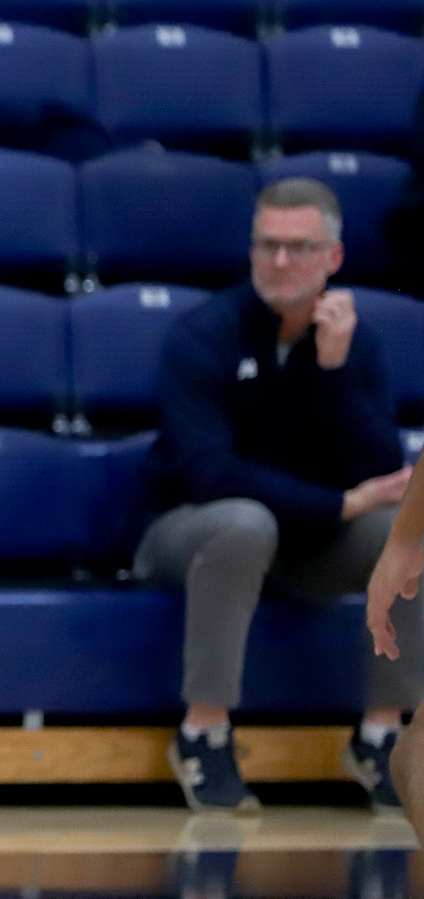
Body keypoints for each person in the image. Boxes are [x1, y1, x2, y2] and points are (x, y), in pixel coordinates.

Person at [141, 177, 417, 815]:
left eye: (298, 247)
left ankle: (381, 736)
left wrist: (334, 372)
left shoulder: (357, 343)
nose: (281, 261)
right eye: (267, 246)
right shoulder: (204, 334)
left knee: (406, 531)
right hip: (187, 529)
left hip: (303, 541)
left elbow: (380, 468)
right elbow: (210, 473)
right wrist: (338, 506)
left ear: (334, 258)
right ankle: (201, 733)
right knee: (243, 522)